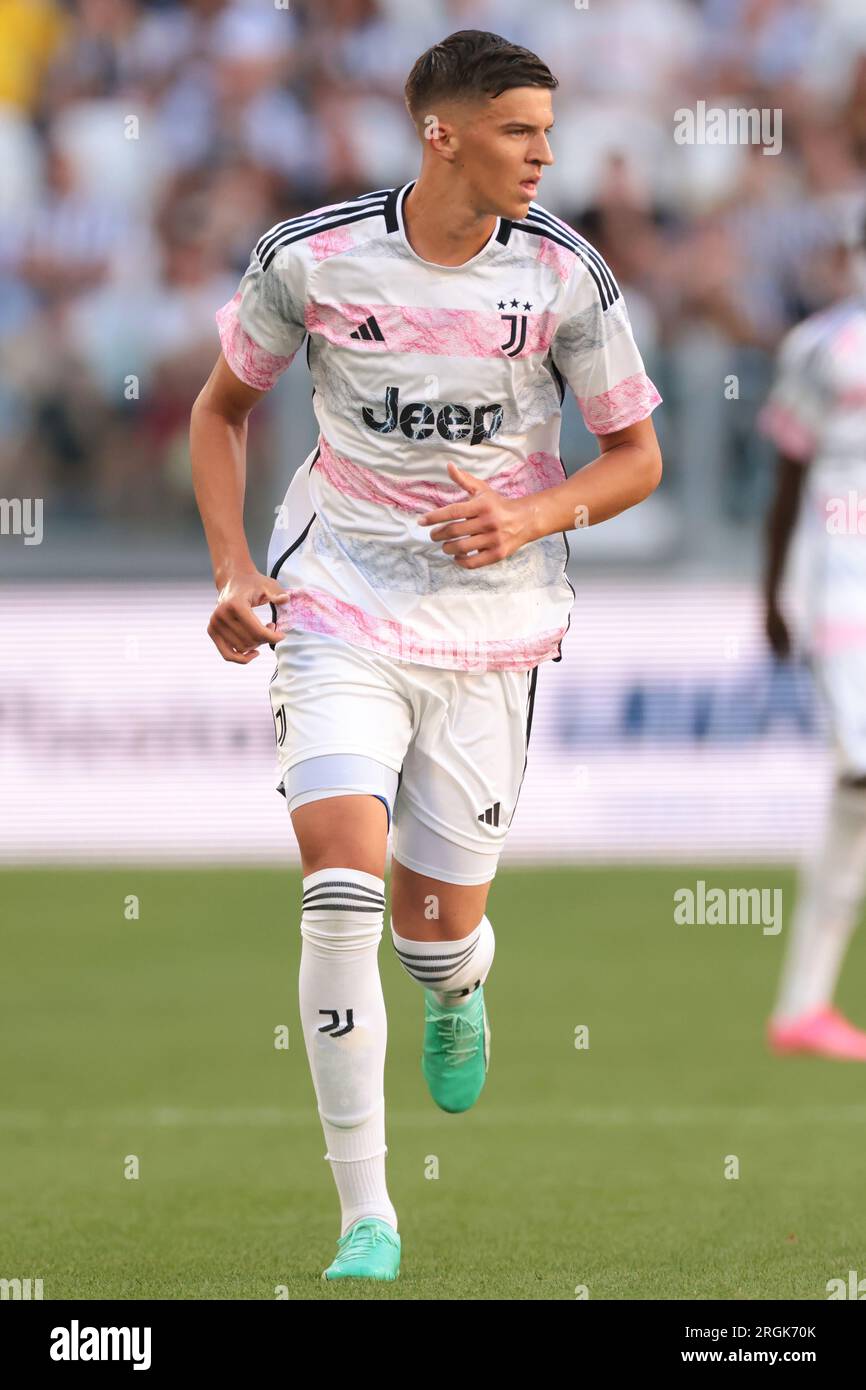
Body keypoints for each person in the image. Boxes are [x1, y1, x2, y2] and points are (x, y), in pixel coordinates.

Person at [189, 28, 662, 1282]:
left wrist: (524, 513)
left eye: (546, 130)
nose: (543, 154)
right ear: (440, 131)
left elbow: (634, 458)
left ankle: (455, 988)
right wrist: (237, 571)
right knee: (337, 886)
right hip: (336, 594)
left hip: (492, 622)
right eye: (519, 129)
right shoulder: (312, 258)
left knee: (430, 934)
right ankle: (367, 1215)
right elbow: (221, 410)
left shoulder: (562, 277)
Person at [760, 213, 866, 1063]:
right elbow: (786, 475)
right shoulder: (822, 347)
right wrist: (770, 595)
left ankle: (803, 1006)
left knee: (853, 799)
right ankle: (803, 1005)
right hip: (837, 588)